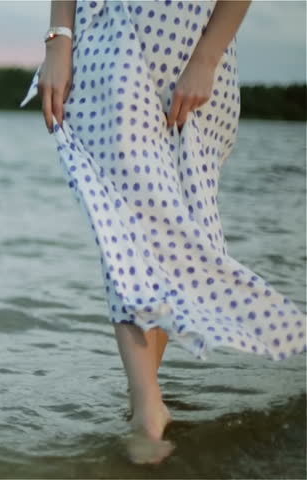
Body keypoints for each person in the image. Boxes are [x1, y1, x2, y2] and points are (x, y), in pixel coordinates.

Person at [19, 0, 307, 466]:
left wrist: (205, 60)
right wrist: (59, 38)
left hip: (194, 51)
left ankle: (144, 400)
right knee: (124, 221)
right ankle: (146, 407)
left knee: (174, 237)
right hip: (114, 41)